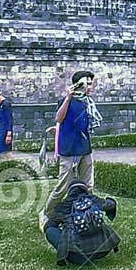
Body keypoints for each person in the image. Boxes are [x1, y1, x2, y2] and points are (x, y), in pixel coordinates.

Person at [41, 70, 97, 229]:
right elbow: (59, 118)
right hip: (70, 151)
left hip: (85, 149)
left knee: (89, 186)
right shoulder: (67, 101)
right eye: (88, 83)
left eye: (91, 83)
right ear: (79, 84)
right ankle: (46, 214)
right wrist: (68, 97)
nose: (91, 86)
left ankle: (88, 215)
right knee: (62, 188)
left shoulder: (87, 102)